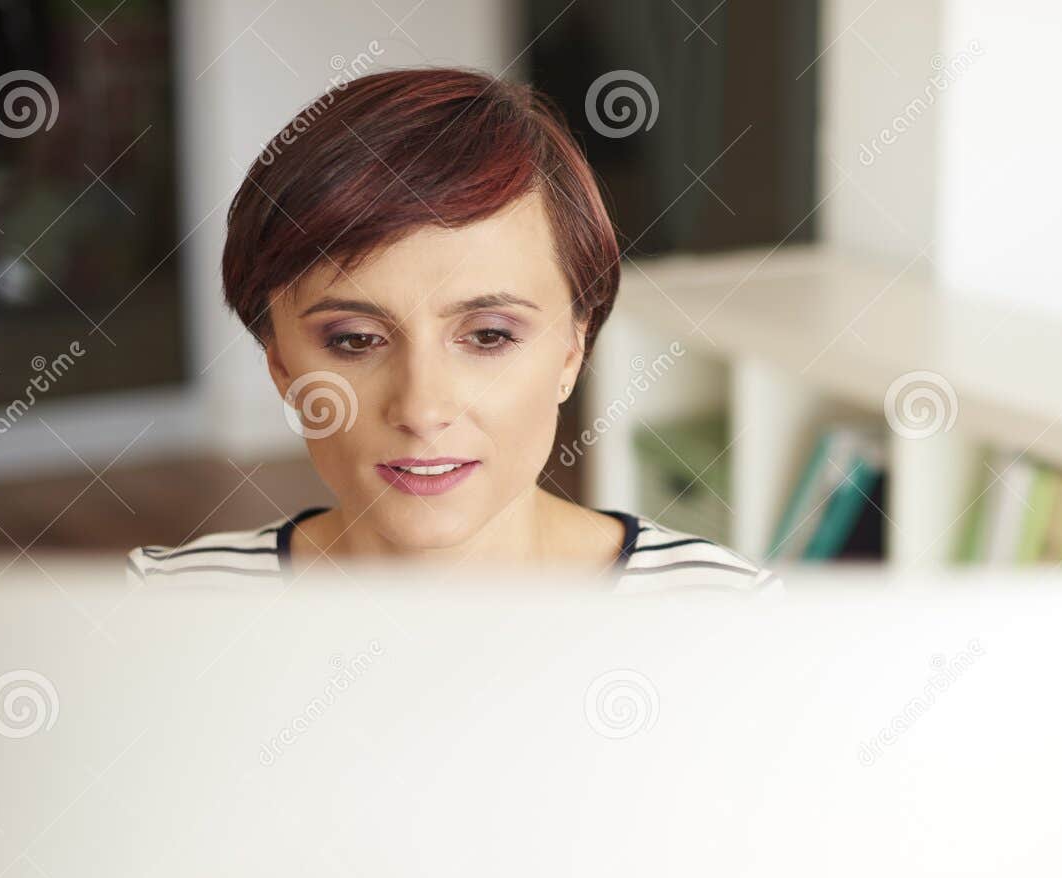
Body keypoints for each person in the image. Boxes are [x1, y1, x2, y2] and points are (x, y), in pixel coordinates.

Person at [127, 68, 779, 597]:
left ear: (571, 352)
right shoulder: (160, 607)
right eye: (355, 339)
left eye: (489, 336)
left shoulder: (734, 616)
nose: (420, 409)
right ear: (281, 367)